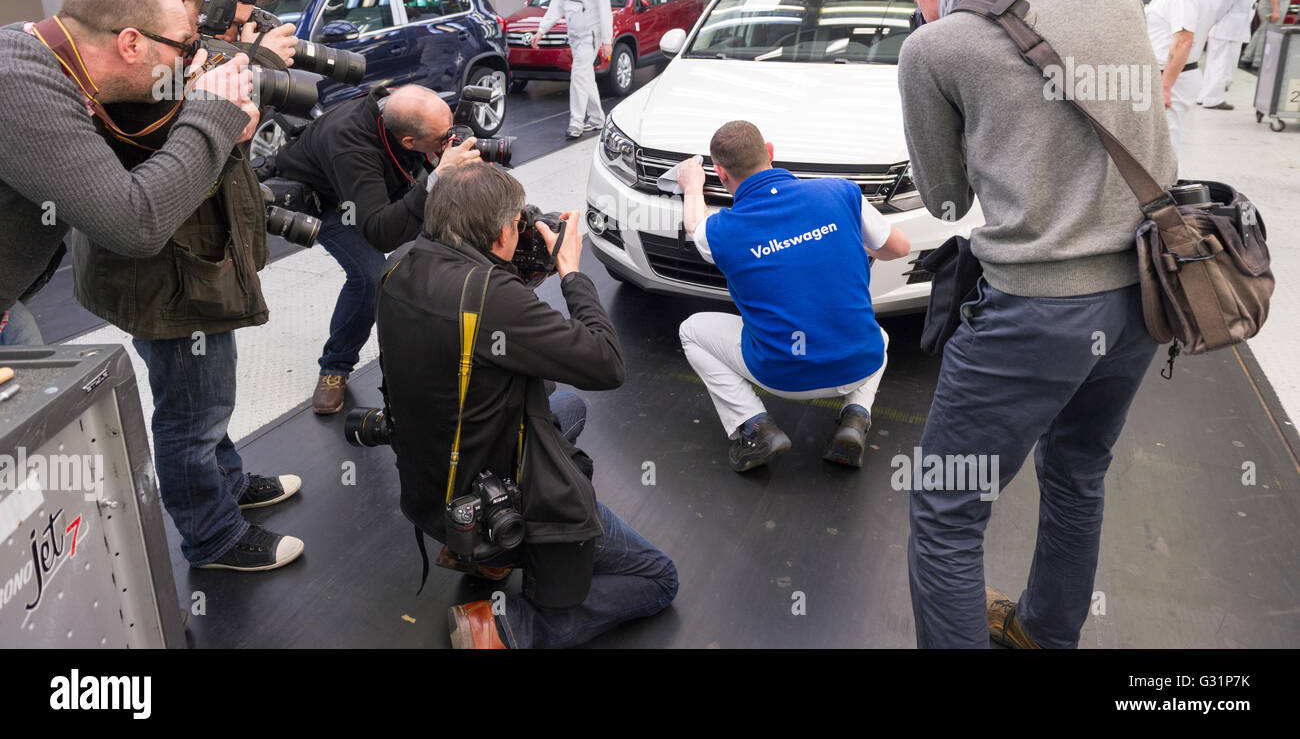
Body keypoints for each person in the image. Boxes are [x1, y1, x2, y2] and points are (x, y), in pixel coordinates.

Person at [898, 0, 1177, 648]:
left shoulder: (936, 48)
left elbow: (948, 198)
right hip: (1148, 293)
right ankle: (1044, 633)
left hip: (1037, 310)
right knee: (1079, 471)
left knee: (947, 509)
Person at [71, 0, 302, 573]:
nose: (248, 28)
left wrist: (236, 61)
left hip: (180, 264)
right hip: (169, 276)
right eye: (238, 15)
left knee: (201, 399)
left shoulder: (176, 52)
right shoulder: (140, 62)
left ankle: (224, 485)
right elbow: (176, 135)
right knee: (190, 416)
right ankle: (214, 538)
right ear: (184, 1)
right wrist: (252, 63)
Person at [375, 162, 677, 648]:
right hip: (489, 491)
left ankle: (480, 555)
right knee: (658, 578)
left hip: (432, 479)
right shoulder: (496, 299)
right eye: (516, 226)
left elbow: (474, 325)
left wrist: (513, 271)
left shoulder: (397, 265)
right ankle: (505, 627)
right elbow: (606, 364)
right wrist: (572, 272)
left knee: (570, 408)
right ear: (501, 233)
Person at [0, 0, 254, 346]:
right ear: (131, 44)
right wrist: (212, 110)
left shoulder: (35, 51)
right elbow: (136, 224)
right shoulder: (18, 83)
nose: (188, 61)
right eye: (185, 47)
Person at [676, 121, 911, 473]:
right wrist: (846, 242)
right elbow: (899, 248)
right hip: (860, 365)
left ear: (721, 174)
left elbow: (695, 227)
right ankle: (856, 417)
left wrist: (692, 187)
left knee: (692, 329)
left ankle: (754, 426)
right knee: (878, 335)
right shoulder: (841, 193)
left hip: (781, 377)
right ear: (770, 152)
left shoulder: (721, 231)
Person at [271, 84, 482, 414]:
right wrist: (439, 177)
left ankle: (452, 340)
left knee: (452, 234)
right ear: (408, 142)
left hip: (378, 183)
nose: (449, 142)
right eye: (444, 138)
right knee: (369, 276)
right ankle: (335, 367)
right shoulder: (351, 147)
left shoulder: (399, 107)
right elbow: (382, 234)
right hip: (329, 198)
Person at [525, 0, 613, 139]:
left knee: (578, 76)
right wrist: (541, 31)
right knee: (586, 77)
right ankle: (597, 119)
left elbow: (604, 11)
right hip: (574, 37)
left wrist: (607, 41)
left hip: (591, 36)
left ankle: (576, 123)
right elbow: (555, 8)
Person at [1144, 0, 1216, 156]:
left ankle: (1167, 191)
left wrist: (1165, 86)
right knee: (1162, 142)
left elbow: (1184, 39)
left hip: (1172, 77)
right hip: (1183, 73)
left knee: (1163, 146)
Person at [1197, 0, 1258, 112]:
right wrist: (1208, 27)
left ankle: (1205, 96)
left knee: (1216, 66)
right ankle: (1213, 99)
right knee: (1222, 67)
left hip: (1230, 32)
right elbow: (1219, 7)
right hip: (1227, 33)